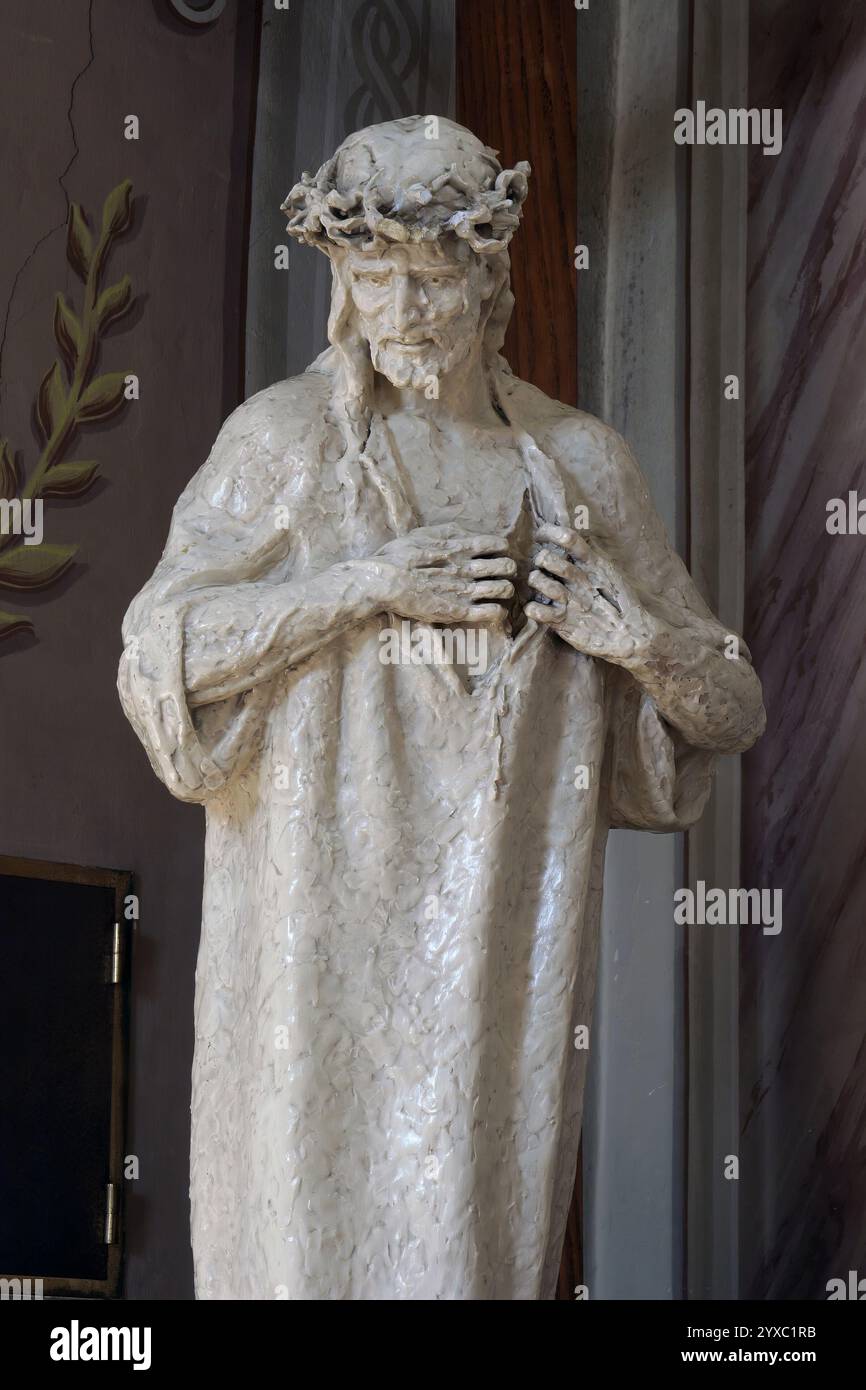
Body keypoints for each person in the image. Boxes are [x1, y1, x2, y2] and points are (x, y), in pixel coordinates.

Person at [118, 116, 765, 1300]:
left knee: (470, 1244)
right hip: (312, 965)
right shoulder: (289, 443)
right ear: (339, 287)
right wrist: (359, 584)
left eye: (431, 283)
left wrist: (630, 636)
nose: (403, 316)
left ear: (488, 281)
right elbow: (161, 651)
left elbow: (730, 702)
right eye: (373, 283)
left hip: (498, 961)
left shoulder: (576, 466)